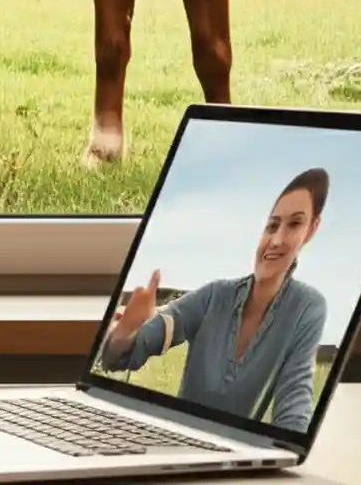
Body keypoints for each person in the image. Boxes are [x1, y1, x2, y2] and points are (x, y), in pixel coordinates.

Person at [96, 168, 331, 432]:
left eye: (295, 224)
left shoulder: (307, 308)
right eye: (272, 225)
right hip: (176, 441)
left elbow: (294, 407)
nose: (276, 240)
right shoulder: (214, 296)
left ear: (312, 229)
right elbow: (123, 355)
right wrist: (127, 331)